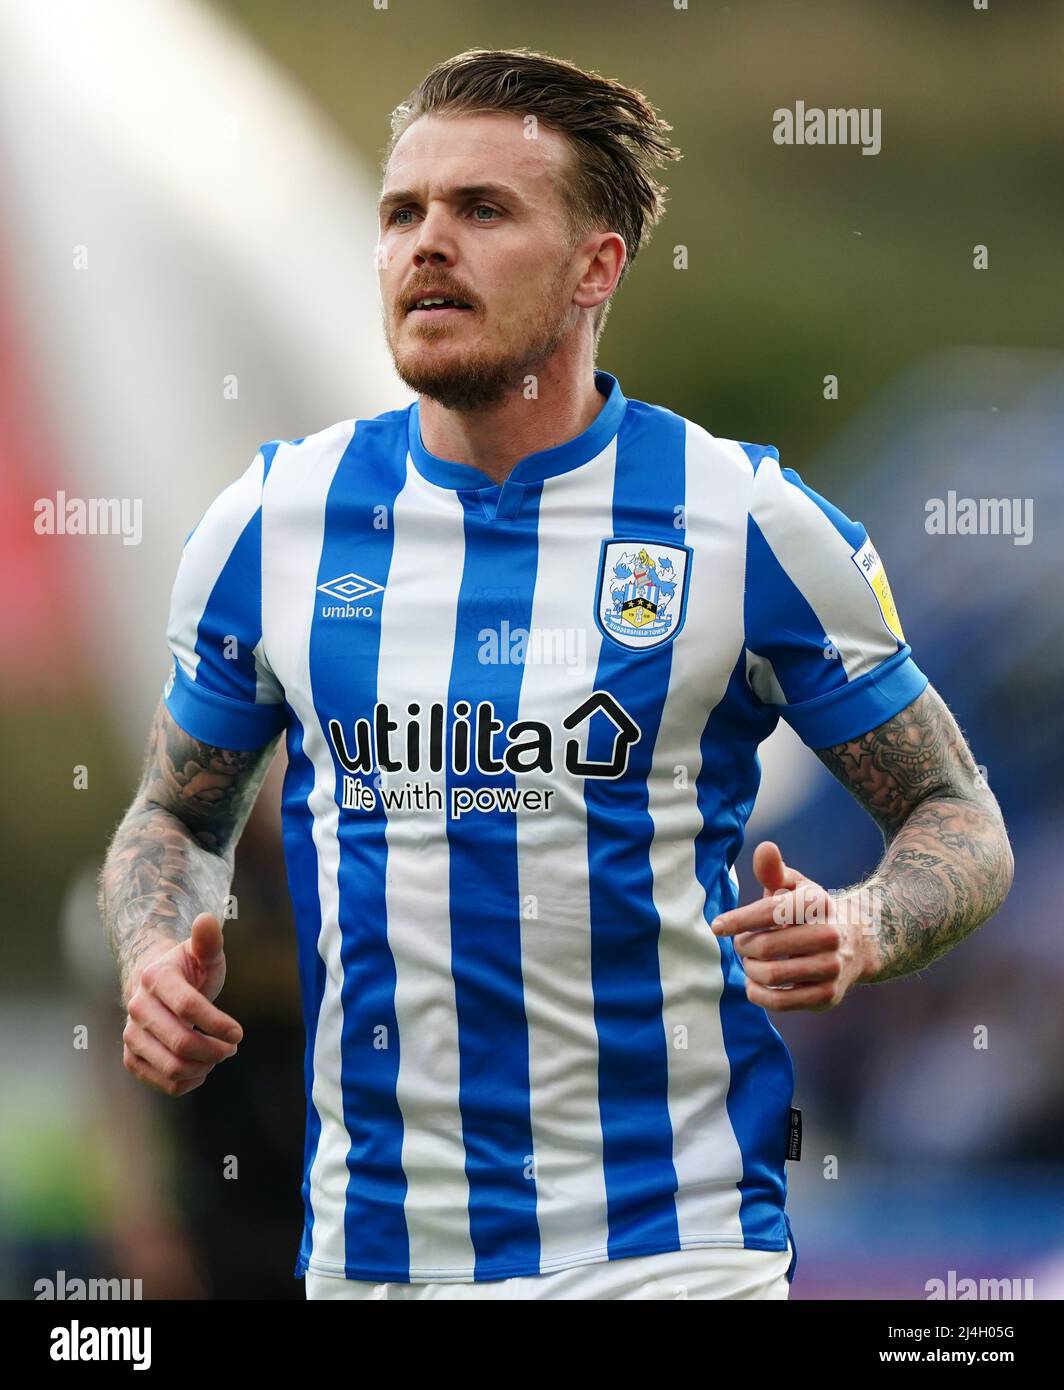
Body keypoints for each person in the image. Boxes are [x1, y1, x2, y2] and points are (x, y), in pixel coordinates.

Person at [98, 47, 1014, 1301]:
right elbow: (173, 816)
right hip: (373, 1257)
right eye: (402, 213)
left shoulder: (742, 521)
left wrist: (862, 923)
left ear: (596, 266)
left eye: (482, 210)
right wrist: (152, 954)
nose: (428, 244)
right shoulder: (272, 522)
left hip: (669, 1248)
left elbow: (956, 818)